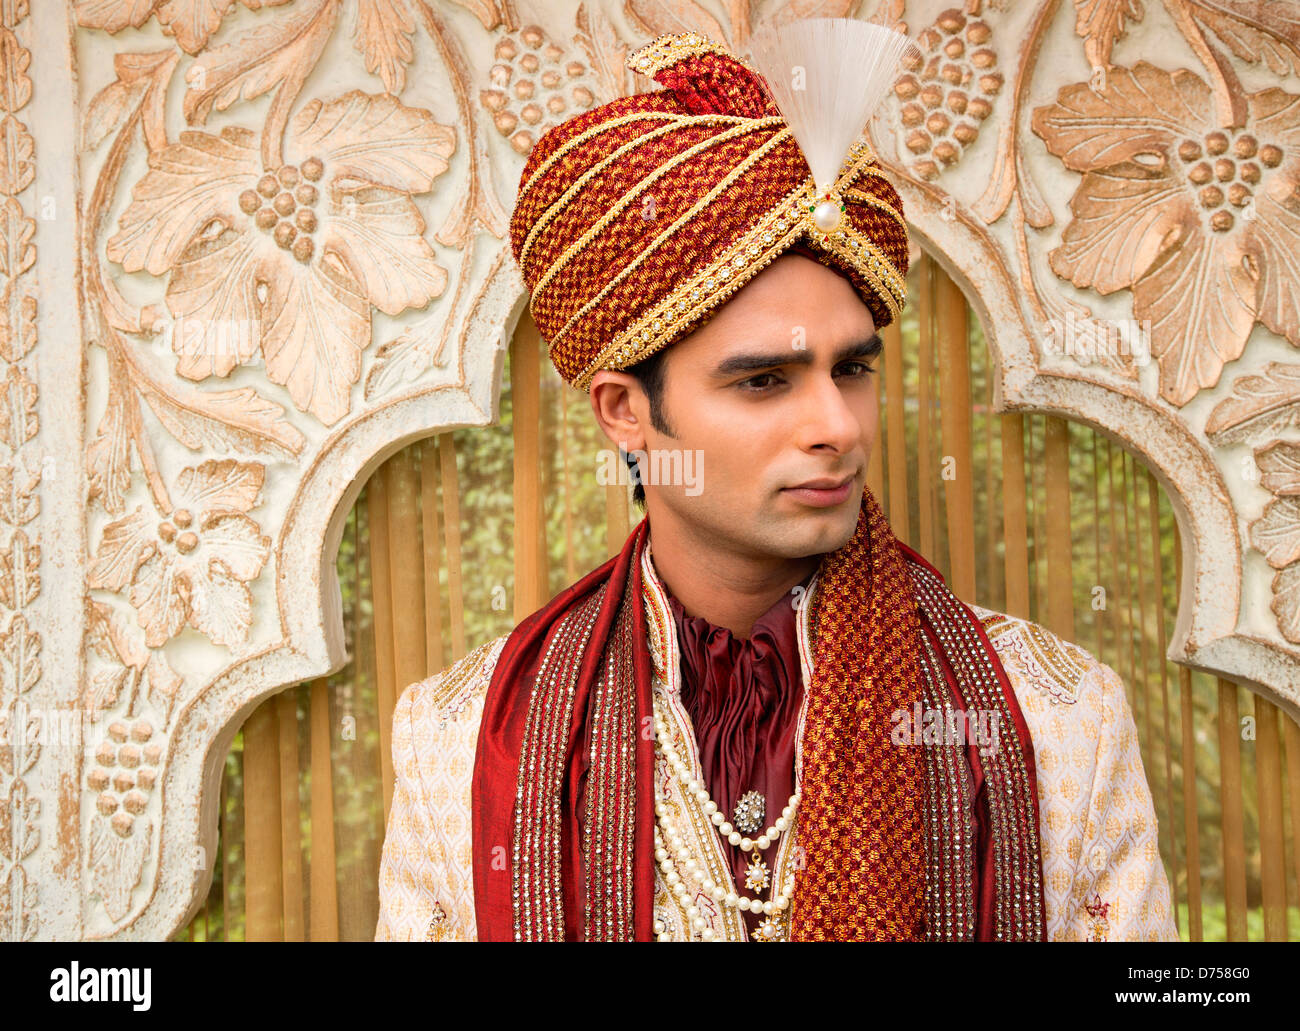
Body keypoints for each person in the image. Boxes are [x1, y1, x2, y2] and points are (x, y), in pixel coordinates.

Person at [375, 23, 1177, 942]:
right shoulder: (467, 741)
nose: (836, 425)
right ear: (625, 411)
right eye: (763, 381)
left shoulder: (1056, 716)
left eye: (854, 369)